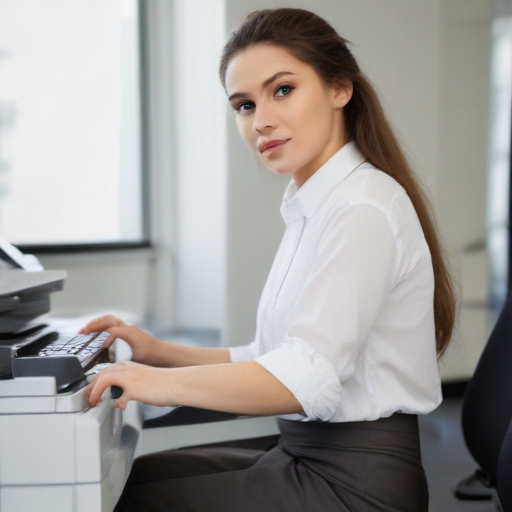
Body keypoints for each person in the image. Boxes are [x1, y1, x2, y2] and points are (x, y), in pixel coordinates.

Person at [82, 8, 455, 511]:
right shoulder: (317, 205)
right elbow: (269, 354)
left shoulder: (362, 207)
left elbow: (305, 377)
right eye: (243, 104)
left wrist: (161, 386)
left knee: (125, 503)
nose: (261, 121)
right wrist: (157, 352)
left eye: (282, 90)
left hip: (356, 483)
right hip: (306, 453)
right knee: (127, 483)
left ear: (339, 89)